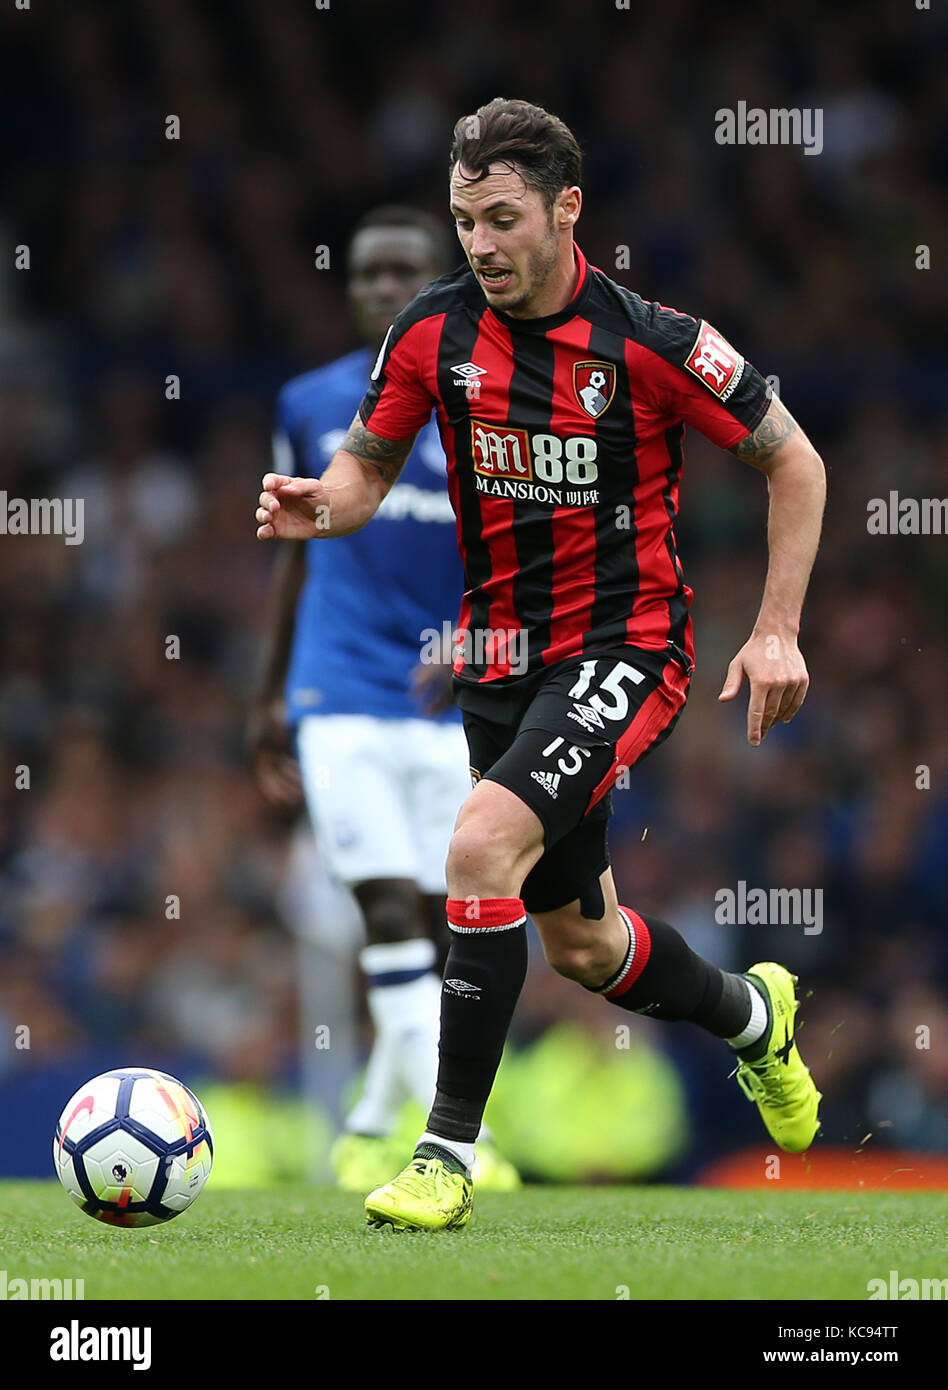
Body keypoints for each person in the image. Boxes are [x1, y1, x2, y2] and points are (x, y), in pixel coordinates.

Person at [254, 99, 826, 1232]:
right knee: (581, 942)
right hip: (504, 659)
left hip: (628, 645)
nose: (480, 244)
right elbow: (366, 472)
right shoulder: (430, 332)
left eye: (502, 218)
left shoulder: (655, 341)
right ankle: (757, 1020)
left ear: (567, 209)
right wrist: (328, 506)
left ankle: (445, 1154)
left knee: (476, 842)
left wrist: (777, 629)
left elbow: (794, 460)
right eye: (465, 220)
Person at [248, 204, 519, 1193]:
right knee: (387, 908)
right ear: (350, 284)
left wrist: (484, 643)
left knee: (458, 920)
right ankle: (466, 1147)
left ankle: (368, 1120)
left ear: (439, 278)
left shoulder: (493, 402)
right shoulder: (310, 400)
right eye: (365, 272)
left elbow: (525, 558)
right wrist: (268, 692)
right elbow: (291, 553)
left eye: (403, 268)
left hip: (450, 700)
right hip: (339, 692)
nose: (381, 286)